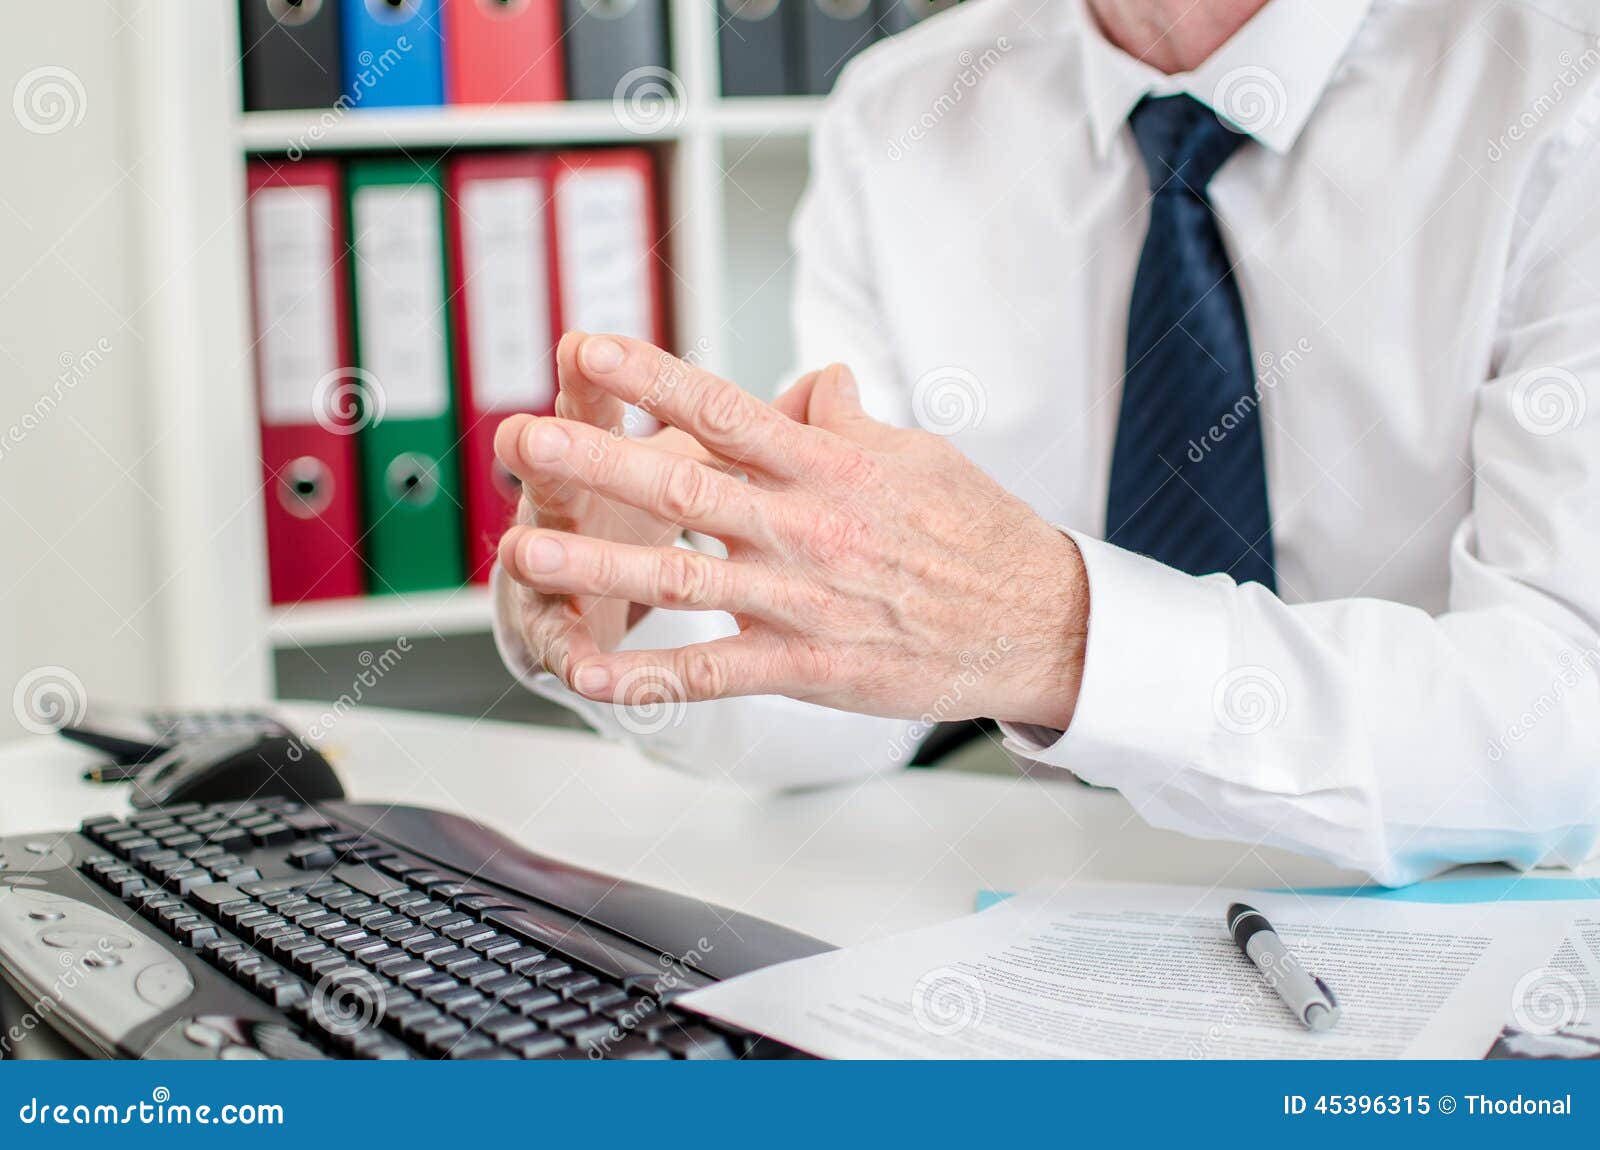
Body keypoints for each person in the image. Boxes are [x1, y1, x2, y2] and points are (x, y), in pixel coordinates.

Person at [491, 0, 1600, 886]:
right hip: (1054, 904)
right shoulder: (899, 114)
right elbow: (872, 681)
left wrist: (1060, 637)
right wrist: (642, 609)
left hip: (1452, 916)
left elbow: (1563, 715)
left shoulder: (1565, 86)